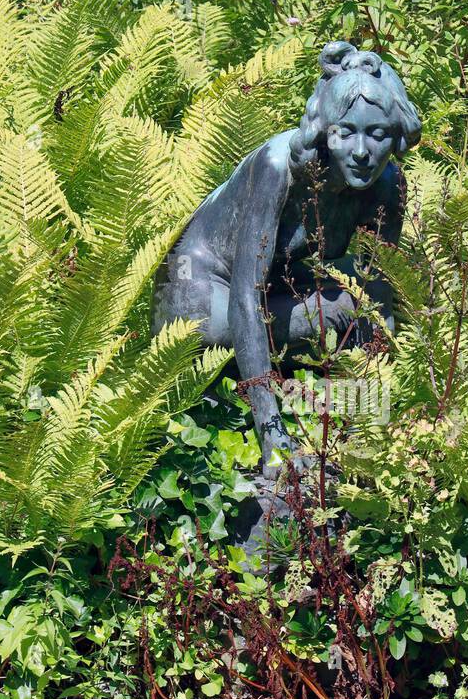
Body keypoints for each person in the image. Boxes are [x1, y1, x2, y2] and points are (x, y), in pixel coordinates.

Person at [152, 40, 421, 472]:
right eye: (346, 132)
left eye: (378, 135)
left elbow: (378, 290)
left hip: (279, 282)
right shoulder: (279, 169)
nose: (361, 152)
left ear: (396, 137)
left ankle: (350, 419)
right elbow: (245, 298)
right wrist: (271, 434)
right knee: (230, 324)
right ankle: (244, 404)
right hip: (201, 293)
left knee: (360, 298)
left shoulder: (387, 182)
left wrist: (378, 413)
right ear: (325, 128)